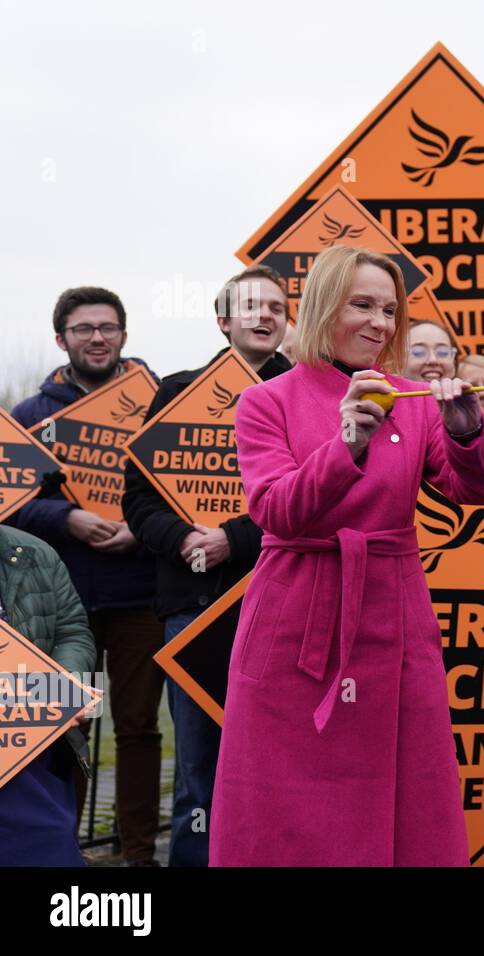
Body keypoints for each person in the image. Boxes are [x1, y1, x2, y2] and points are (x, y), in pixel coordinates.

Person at [209, 246, 484, 866]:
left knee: (408, 793)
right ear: (322, 306)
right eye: (362, 305)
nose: (381, 323)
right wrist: (346, 445)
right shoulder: (267, 400)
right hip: (294, 618)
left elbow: (474, 492)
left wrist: (468, 429)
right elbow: (277, 512)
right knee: (284, 801)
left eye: (390, 309)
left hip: (393, 617)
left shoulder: (414, 398)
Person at [121, 265, 293, 866]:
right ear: (224, 321)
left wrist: (232, 539)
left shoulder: (307, 391)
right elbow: (138, 500)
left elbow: (316, 495)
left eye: (276, 306)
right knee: (198, 766)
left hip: (283, 603)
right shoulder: (175, 391)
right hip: (191, 607)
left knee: (285, 761)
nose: (265, 316)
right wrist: (188, 541)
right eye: (251, 307)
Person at [6, 286, 165, 866]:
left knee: (139, 729)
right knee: (55, 730)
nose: (96, 337)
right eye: (82, 329)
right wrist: (68, 517)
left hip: (141, 595)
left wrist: (140, 528)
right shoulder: (30, 415)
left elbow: (186, 488)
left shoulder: (160, 403)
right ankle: (58, 851)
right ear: (61, 339)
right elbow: (13, 504)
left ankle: (140, 855)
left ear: (124, 334)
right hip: (53, 604)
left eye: (106, 327)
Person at [0, 526, 96, 866]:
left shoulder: (34, 552)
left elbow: (71, 631)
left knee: (50, 845)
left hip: (30, 747)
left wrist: (66, 684)